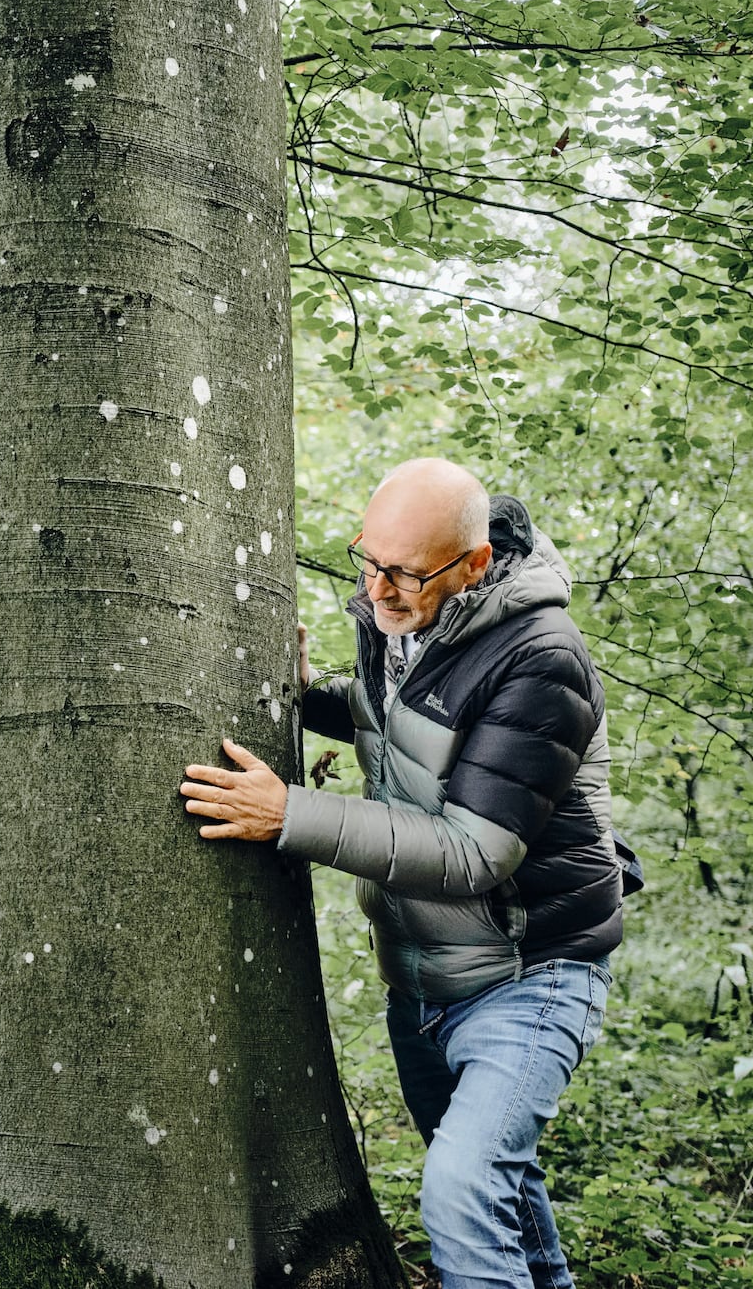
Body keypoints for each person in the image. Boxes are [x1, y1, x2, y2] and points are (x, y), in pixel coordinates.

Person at [178, 456, 624, 1289]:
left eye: (405, 573)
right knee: (504, 1191)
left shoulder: (541, 657)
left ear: (476, 564)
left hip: (530, 975)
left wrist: (290, 816)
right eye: (368, 562)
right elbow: (408, 729)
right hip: (422, 988)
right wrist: (315, 697)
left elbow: (474, 849)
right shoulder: (408, 614)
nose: (379, 590)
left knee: (461, 1194)